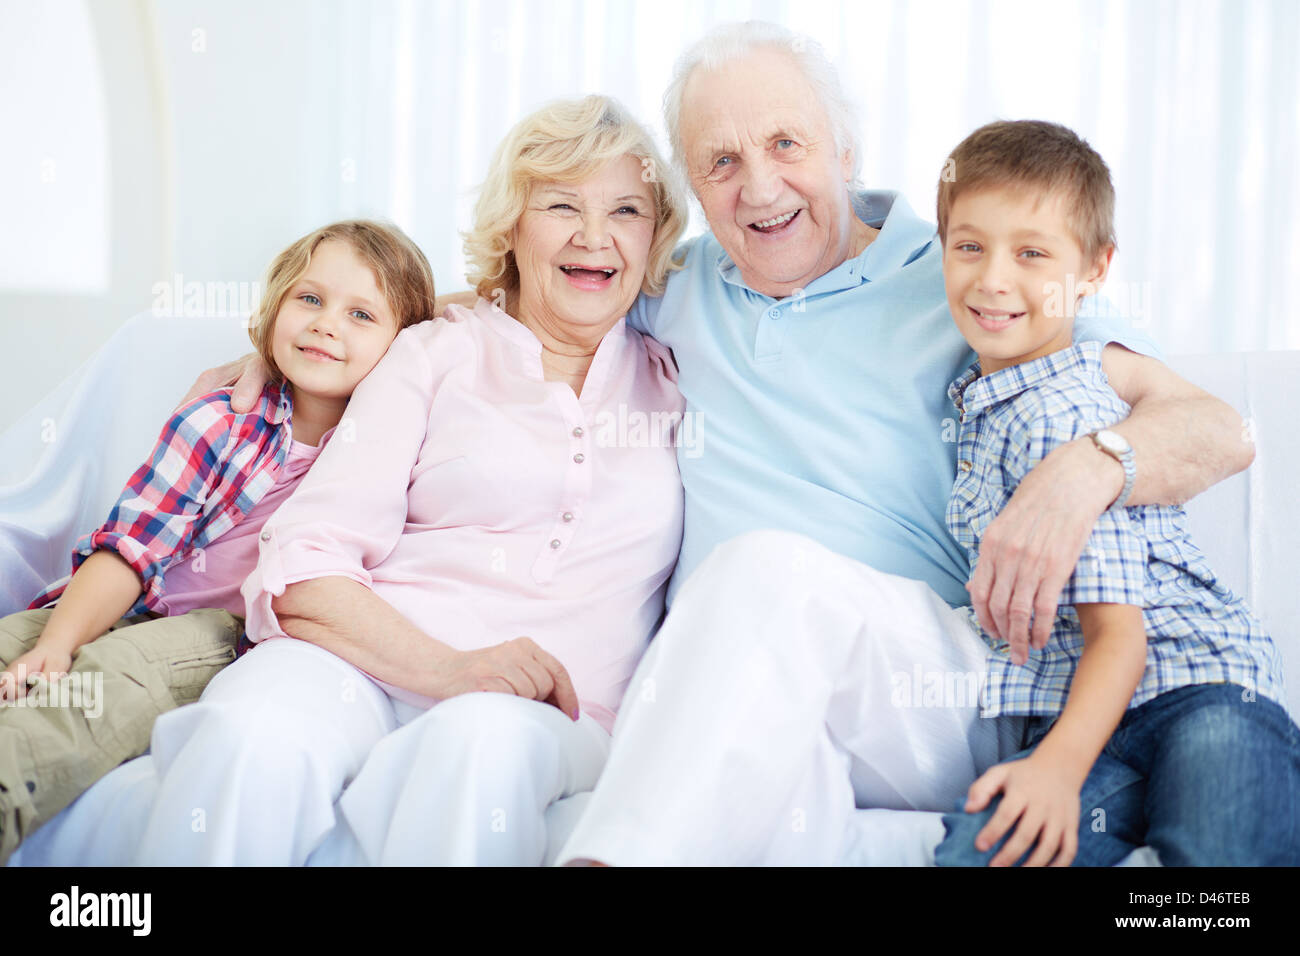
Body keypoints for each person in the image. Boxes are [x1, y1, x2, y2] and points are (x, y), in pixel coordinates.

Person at [202, 23, 1251, 866]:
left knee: (764, 573)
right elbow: (532, 289)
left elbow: (1221, 430)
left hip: (930, 682)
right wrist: (291, 357)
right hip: (727, 685)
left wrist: (1086, 468)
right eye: (722, 161)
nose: (760, 187)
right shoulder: (678, 289)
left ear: (844, 148)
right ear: (692, 197)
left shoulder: (966, 277)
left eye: (787, 145)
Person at [36, 95, 688, 867]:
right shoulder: (431, 353)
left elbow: (816, 251)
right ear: (514, 224)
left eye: (626, 210)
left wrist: (475, 685)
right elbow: (306, 562)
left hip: (548, 706)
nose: (593, 235)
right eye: (561, 205)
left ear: (656, 240)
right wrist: (447, 667)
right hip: (357, 660)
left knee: (476, 743)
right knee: (251, 737)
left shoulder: (683, 364)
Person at [0, 219, 435, 863]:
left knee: (110, 681)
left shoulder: (397, 450)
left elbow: (473, 315)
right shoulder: (220, 419)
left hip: (221, 635)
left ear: (403, 348)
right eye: (309, 299)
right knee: (21, 642)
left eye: (361, 314)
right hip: (131, 597)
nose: (325, 324)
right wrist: (57, 640)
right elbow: (131, 545)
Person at [926, 120, 1298, 867]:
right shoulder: (982, 404)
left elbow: (1120, 639)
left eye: (1032, 253)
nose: (993, 278)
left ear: (1094, 269)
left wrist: (1057, 771)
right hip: (1090, 721)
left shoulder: (1059, 407)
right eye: (969, 246)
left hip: (1203, 693)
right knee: (985, 852)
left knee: (1219, 862)